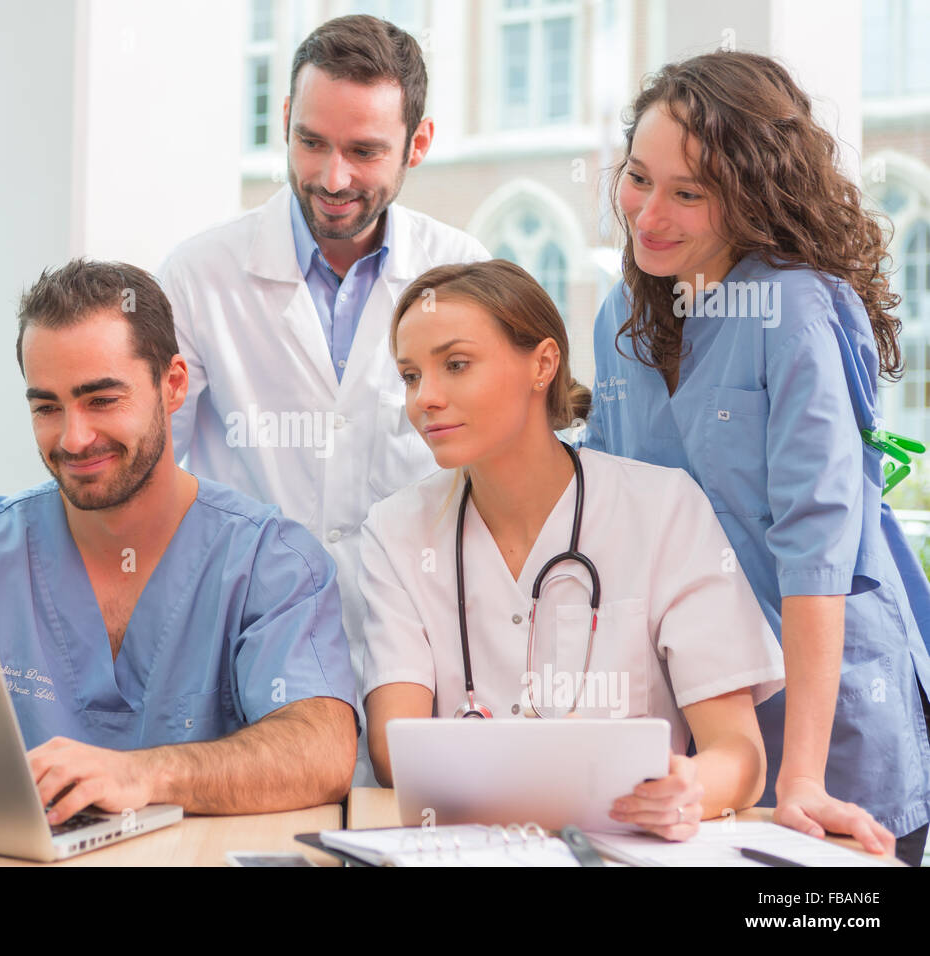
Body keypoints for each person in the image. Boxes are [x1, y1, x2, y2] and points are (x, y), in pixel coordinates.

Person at [580, 50, 930, 865]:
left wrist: (801, 777)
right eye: (639, 178)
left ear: (754, 196)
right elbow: (606, 509)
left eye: (688, 194)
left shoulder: (799, 308)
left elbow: (817, 547)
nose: (649, 215)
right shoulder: (620, 316)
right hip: (704, 721)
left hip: (827, 714)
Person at [0, 260, 357, 822]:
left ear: (172, 385)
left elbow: (322, 752)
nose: (74, 438)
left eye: (101, 400)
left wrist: (143, 775)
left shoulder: (269, 564)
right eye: (48, 407)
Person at [160, 15, 489, 782]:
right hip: (243, 659)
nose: (333, 177)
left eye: (365, 151)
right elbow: (151, 475)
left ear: (418, 143)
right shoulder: (200, 277)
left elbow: (504, 478)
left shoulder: (467, 274)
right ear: (284, 123)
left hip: (419, 660)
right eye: (311, 142)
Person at [360, 260, 786, 840]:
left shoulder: (662, 509)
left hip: (623, 848)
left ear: (542, 363)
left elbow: (740, 755)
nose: (425, 399)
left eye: (455, 365)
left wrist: (692, 787)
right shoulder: (396, 530)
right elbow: (394, 752)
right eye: (410, 376)